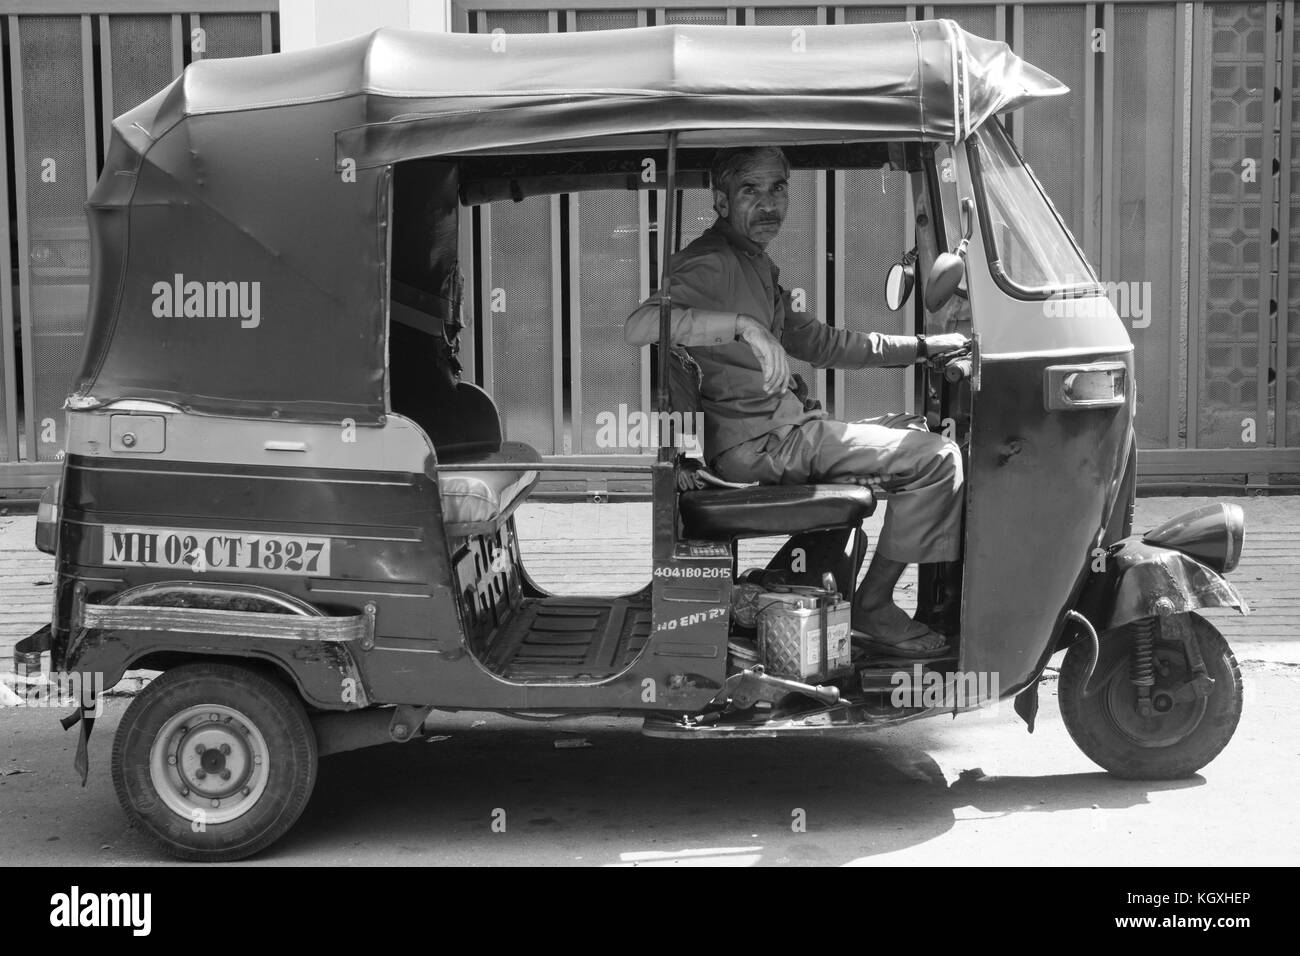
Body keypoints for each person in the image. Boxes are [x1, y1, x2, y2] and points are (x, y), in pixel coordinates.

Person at [625, 146, 968, 657]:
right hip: (763, 444)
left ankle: (795, 585)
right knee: (938, 460)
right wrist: (745, 328)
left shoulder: (755, 264)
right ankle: (874, 606)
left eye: (778, 189)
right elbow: (641, 324)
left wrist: (922, 348)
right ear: (720, 201)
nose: (769, 205)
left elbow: (823, 343)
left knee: (918, 427)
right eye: (750, 191)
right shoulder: (710, 263)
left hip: (786, 431)